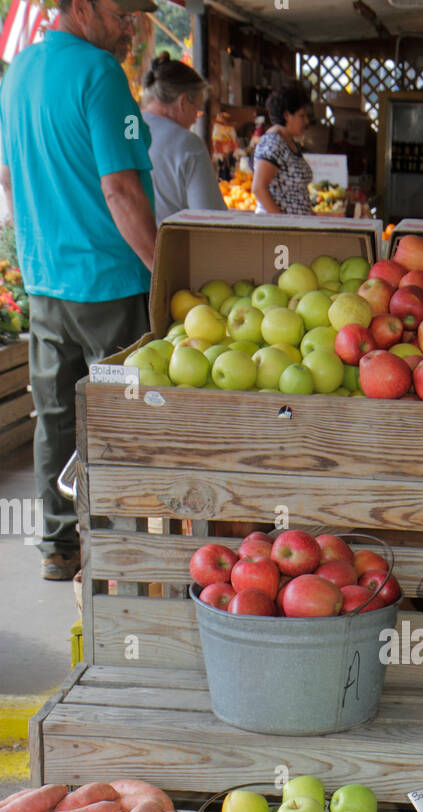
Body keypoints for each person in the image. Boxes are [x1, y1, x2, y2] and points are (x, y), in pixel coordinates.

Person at [0, 0, 157, 581]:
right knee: (120, 417)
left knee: (56, 415)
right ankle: (122, 548)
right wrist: (159, 271)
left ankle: (59, 548)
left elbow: (9, 177)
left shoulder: (17, 71)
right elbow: (119, 189)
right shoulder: (99, 73)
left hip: (45, 286)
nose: (129, 28)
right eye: (122, 14)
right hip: (109, 286)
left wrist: (36, 248)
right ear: (84, 6)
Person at [140, 53, 226, 226]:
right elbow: (210, 218)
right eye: (197, 110)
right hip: (168, 248)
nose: (195, 119)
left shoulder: (125, 127)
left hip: (120, 247)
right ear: (183, 102)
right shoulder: (187, 144)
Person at [252, 82, 314, 216]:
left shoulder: (288, 142)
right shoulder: (273, 143)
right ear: (287, 115)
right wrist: (284, 224)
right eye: (302, 116)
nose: (306, 121)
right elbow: (258, 188)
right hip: (280, 233)